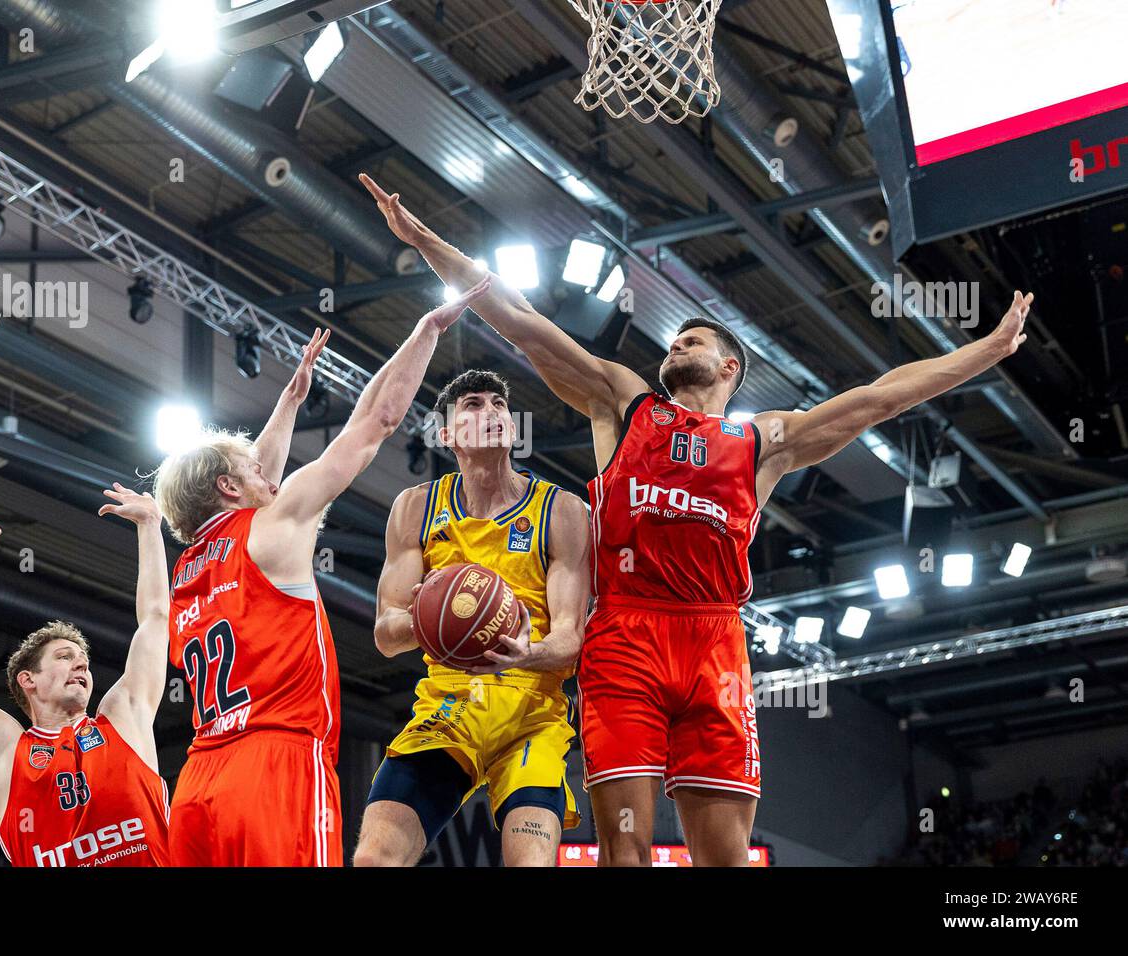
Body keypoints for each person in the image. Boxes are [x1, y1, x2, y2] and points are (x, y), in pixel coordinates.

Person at [360, 171, 1033, 866]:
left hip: (715, 641)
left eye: (692, 342)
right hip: (626, 634)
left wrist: (983, 351)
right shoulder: (626, 405)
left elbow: (877, 399)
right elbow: (521, 320)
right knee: (625, 846)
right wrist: (428, 241)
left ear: (730, 367)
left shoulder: (762, 442)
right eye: (673, 341)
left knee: (725, 856)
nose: (675, 346)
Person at [154, 283, 489, 866]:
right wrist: (426, 332)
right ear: (231, 489)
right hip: (276, 759)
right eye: (253, 471)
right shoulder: (272, 528)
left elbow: (254, 489)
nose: (270, 474)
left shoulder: (184, 572)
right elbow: (376, 422)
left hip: (200, 781)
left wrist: (287, 405)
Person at [354, 369, 590, 867]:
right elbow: (385, 636)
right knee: (376, 858)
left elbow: (571, 639)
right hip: (450, 706)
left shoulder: (563, 510)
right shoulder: (416, 507)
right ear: (446, 434)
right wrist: (424, 617)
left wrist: (529, 652)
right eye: (474, 405)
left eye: (499, 405)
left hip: (531, 713)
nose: (492, 413)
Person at [0, 476, 172, 867]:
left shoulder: (123, 716)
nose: (81, 663)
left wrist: (150, 527)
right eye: (65, 656)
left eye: (83, 659)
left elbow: (156, 617)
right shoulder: (3, 748)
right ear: (27, 680)